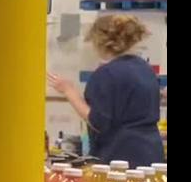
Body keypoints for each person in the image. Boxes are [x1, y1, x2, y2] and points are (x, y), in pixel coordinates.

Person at [48, 14, 163, 168]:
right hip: (152, 151)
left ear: (99, 41)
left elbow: (98, 122)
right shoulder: (144, 68)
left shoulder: (106, 74)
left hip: (120, 154)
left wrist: (69, 91)